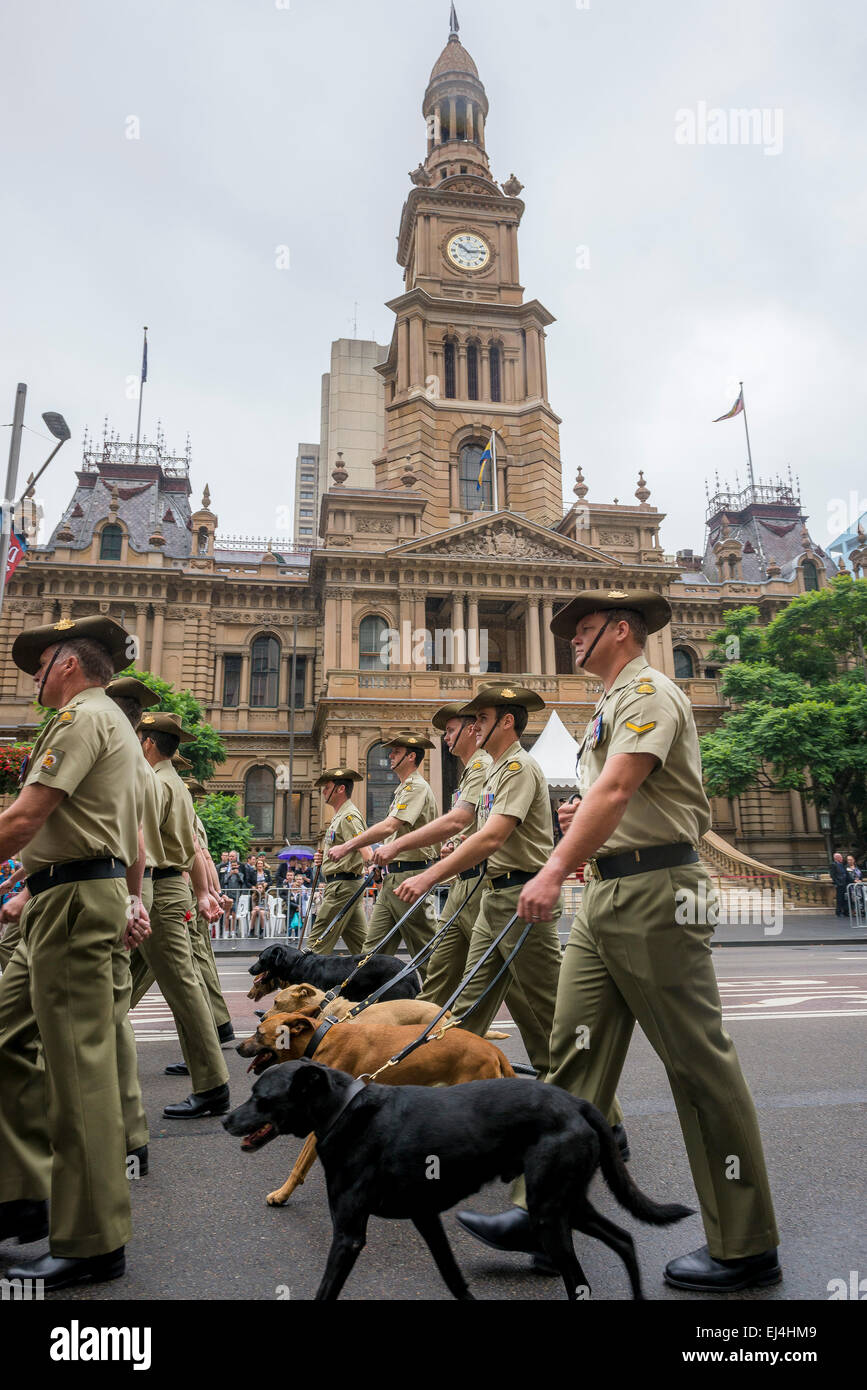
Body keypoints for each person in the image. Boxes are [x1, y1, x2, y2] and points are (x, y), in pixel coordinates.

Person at [456, 589, 780, 1294]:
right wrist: (580, 820)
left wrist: (549, 865)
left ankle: (745, 1242)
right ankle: (541, 1217)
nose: (571, 639)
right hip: (607, 894)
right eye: (569, 631)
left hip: (659, 892)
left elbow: (616, 791)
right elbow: (611, 797)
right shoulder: (607, 706)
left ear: (621, 630)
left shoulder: (647, 691)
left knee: (698, 1069)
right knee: (570, 1066)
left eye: (583, 629)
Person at [0, 615, 150, 1291]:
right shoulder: (102, 721)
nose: (33, 673)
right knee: (7, 1037)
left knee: (79, 1076)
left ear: (68, 663)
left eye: (41, 661)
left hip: (71, 904)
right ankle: (25, 1193)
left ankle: (91, 1241)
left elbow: (26, 818)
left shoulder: (83, 717)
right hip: (57, 899)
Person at [393, 688, 563, 1076]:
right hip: (493, 897)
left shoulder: (519, 768)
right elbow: (480, 833)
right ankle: (443, 1083)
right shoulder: (498, 771)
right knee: (470, 1001)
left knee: (548, 1007)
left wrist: (428, 875)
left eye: (482, 719)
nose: (474, 727)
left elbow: (492, 837)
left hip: (523, 898)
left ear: (506, 722)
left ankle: (601, 1115)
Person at [373, 704, 529, 1025]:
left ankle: (548, 1052)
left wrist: (406, 852)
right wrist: (456, 844)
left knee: (507, 981)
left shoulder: (484, 765)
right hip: (462, 883)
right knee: (440, 975)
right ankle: (420, 1040)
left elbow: (462, 820)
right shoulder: (471, 770)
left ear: (471, 730)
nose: (445, 738)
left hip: (480, 884)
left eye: (451, 731)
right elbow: (472, 825)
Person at [135, 710, 229, 1118]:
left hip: (160, 887)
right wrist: (205, 893)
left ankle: (212, 1086)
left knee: (183, 988)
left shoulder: (156, 784)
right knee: (127, 979)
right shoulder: (174, 784)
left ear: (150, 743)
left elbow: (143, 845)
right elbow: (193, 848)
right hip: (169, 886)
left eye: (140, 738)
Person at [331, 734, 439, 960]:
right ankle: (372, 995)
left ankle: (439, 996)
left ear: (411, 757)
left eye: (396, 752)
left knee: (426, 954)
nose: (390, 755)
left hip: (411, 877)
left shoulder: (416, 787)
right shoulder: (403, 789)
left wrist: (347, 846)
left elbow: (390, 826)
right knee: (371, 954)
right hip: (393, 879)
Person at [309, 767, 372, 956]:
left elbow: (365, 848)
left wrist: (373, 867)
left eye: (327, 787)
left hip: (342, 888)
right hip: (343, 885)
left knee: (317, 943)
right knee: (362, 946)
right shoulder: (339, 815)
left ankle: (304, 985)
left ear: (340, 789)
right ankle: (377, 979)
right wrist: (324, 858)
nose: (323, 792)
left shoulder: (348, 816)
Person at [249, 856, 272, 938]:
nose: (259, 865)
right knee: (254, 912)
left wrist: (267, 884)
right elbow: (248, 881)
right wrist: (253, 887)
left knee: (261, 913)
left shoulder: (266, 895)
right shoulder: (253, 873)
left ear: (263, 865)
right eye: (258, 863)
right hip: (257, 908)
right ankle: (251, 931)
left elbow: (271, 881)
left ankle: (262, 931)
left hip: (264, 909)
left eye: (261, 863)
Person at [830, 851, 849, 916]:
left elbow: (846, 874)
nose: (842, 858)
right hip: (840, 884)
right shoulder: (833, 864)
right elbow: (833, 875)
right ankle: (838, 912)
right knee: (839, 898)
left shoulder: (842, 864)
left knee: (845, 898)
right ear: (837, 858)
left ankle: (845, 911)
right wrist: (838, 883)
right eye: (840, 857)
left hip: (845, 884)